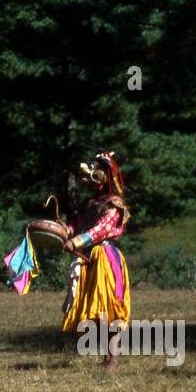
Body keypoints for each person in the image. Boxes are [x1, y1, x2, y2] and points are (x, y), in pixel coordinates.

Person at [60, 152, 131, 368]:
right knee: (94, 307)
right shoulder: (89, 203)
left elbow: (101, 230)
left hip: (105, 257)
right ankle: (106, 357)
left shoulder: (114, 203)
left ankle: (112, 358)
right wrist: (63, 230)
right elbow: (78, 226)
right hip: (89, 257)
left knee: (110, 306)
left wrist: (77, 241)